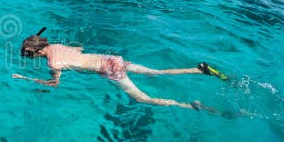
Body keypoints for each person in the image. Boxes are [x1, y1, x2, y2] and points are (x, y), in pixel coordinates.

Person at [12, 27, 227, 110]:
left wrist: (26, 79)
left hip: (109, 70)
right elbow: (79, 48)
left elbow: (55, 84)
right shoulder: (57, 46)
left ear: (37, 53)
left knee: (142, 98)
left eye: (29, 55)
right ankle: (198, 70)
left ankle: (191, 106)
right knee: (155, 72)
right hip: (111, 58)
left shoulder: (52, 64)